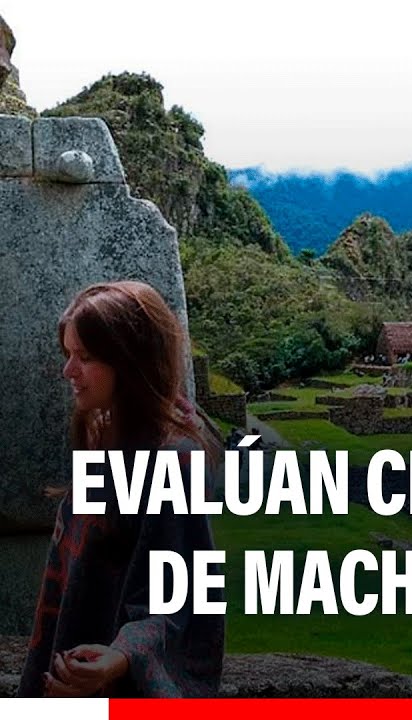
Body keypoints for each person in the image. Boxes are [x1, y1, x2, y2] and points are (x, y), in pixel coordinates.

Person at [18, 281, 226, 698]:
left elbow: (184, 591)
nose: (68, 371)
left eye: (86, 357)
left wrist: (123, 656)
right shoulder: (103, 436)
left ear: (129, 362)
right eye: (69, 354)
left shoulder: (175, 460)